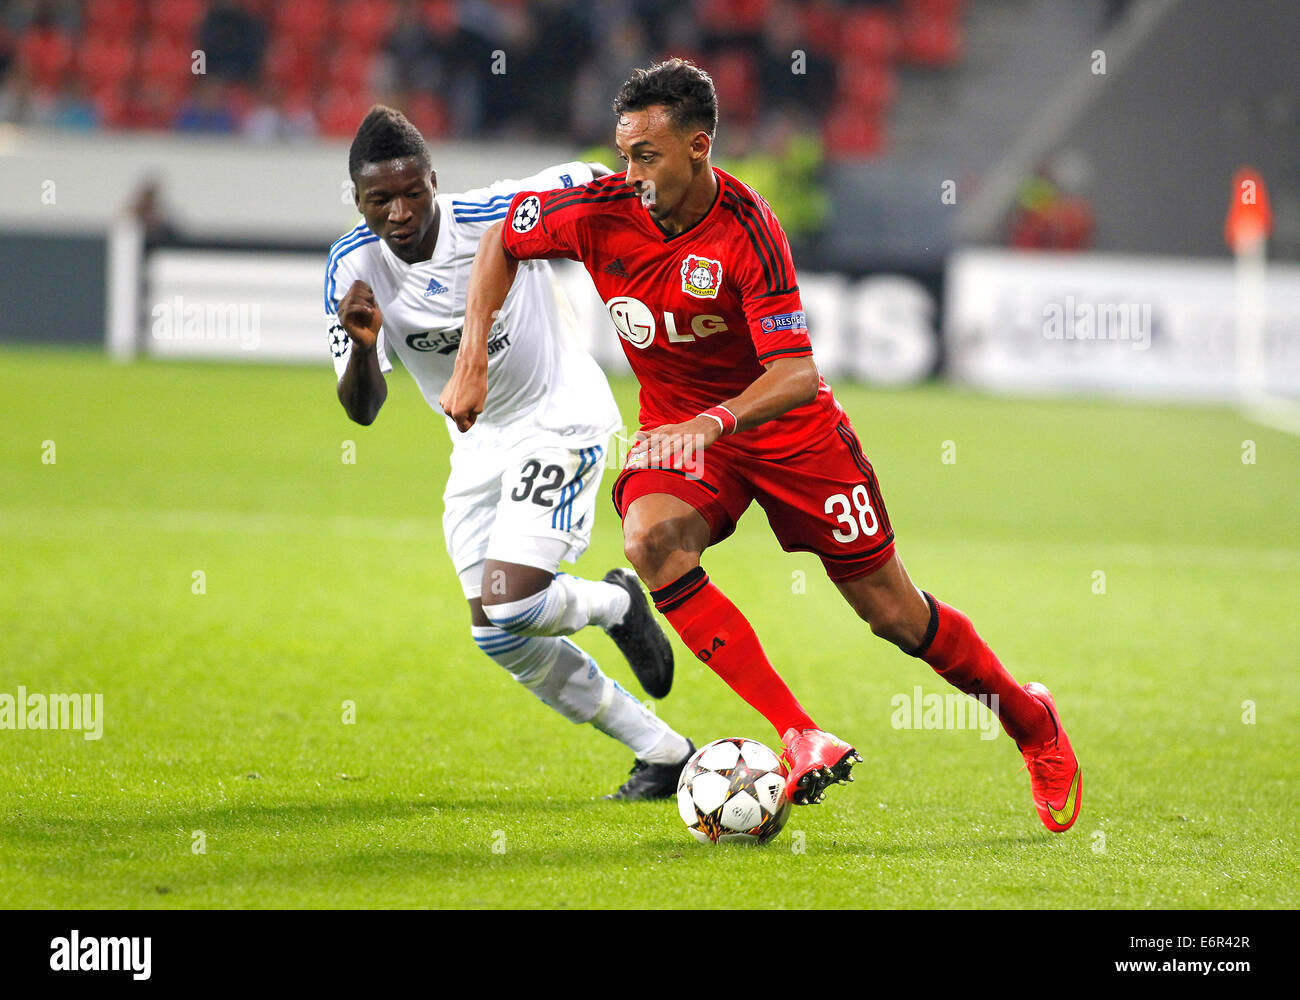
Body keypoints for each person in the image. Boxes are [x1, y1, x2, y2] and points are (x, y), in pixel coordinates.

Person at [442, 60, 1081, 829]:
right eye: (623, 153)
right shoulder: (594, 210)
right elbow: (501, 244)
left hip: (786, 435)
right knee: (650, 541)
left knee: (893, 614)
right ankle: (799, 731)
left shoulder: (749, 228)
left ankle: (1028, 720)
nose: (630, 172)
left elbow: (797, 375)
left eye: (646, 155)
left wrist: (710, 422)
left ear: (699, 147)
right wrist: (473, 354)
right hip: (685, 433)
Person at [328, 105, 694, 799]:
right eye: (381, 200)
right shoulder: (352, 268)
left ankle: (615, 604)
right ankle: (664, 750)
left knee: (513, 600)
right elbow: (363, 409)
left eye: (413, 192)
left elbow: (591, 176)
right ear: (358, 200)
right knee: (499, 634)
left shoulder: (495, 209)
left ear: (433, 180)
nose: (400, 212)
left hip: (558, 416)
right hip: (477, 446)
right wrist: (366, 346)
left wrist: (656, 230)